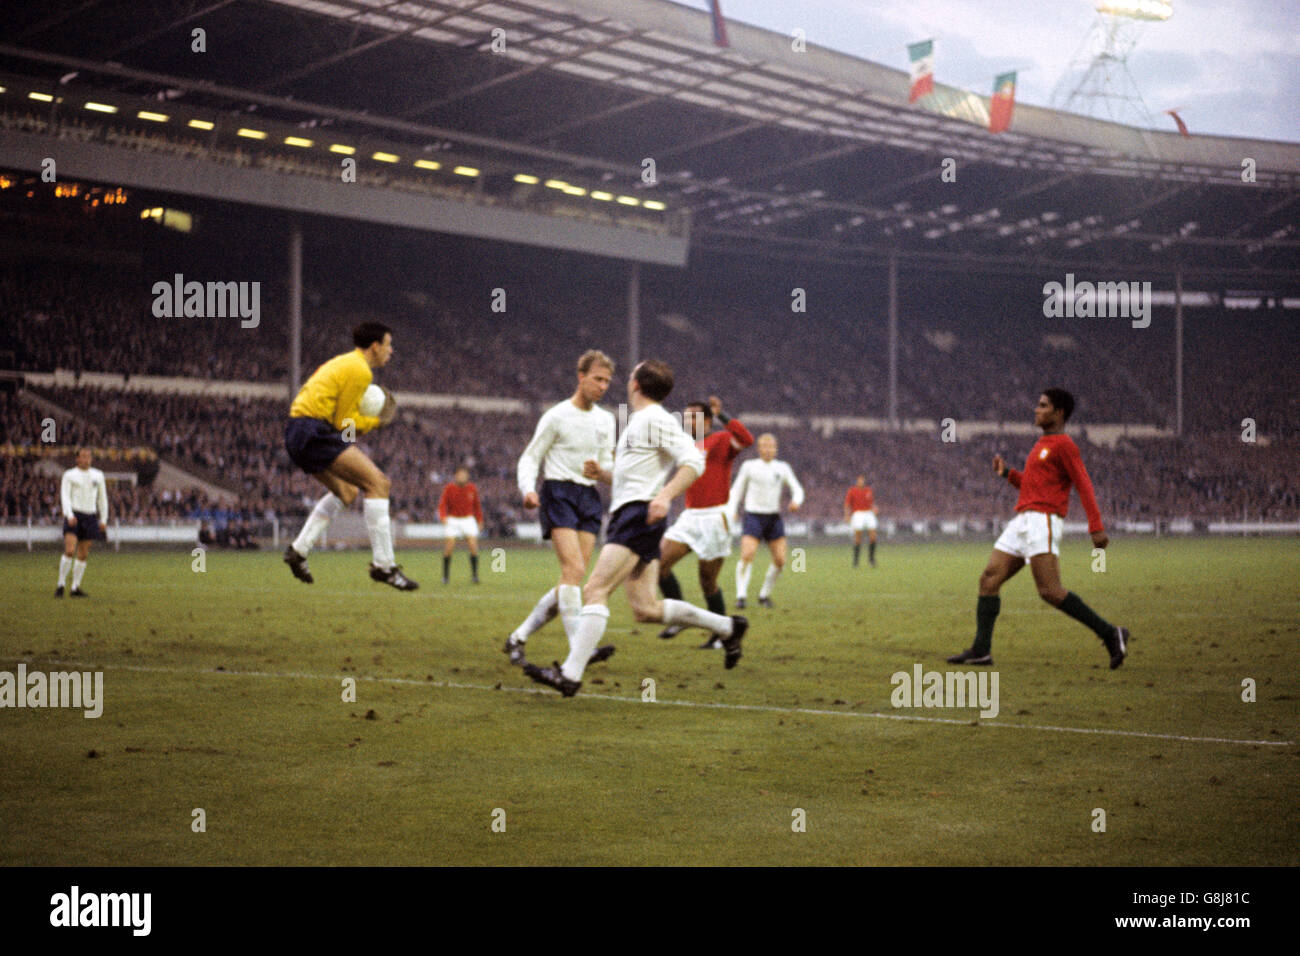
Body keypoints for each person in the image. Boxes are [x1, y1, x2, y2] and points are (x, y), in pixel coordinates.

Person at [523, 360, 748, 697]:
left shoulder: (656, 419)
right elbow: (635, 475)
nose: (625, 378)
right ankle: (728, 627)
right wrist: (604, 474)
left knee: (594, 589)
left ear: (636, 384)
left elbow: (694, 460)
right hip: (636, 513)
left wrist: (665, 496)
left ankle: (569, 675)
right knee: (646, 609)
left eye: (630, 375)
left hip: (637, 515)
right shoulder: (640, 421)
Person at [947, 388, 1130, 669]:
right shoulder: (1041, 445)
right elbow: (1032, 487)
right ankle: (981, 650)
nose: (1036, 409)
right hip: (1022, 520)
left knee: (1050, 590)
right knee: (988, 580)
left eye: (1043, 405)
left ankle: (1110, 633)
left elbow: (1083, 483)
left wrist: (1096, 527)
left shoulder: (1064, 445)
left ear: (1059, 413)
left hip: (1042, 520)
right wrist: (1008, 474)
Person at [281, 322, 416, 590]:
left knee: (348, 493)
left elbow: (343, 429)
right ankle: (384, 566)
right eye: (388, 345)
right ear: (375, 347)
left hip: (299, 432)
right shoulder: (360, 370)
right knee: (379, 484)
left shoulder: (346, 363)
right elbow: (346, 424)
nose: (391, 350)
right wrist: (375, 422)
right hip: (312, 430)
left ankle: (298, 551)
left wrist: (360, 426)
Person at [505, 350, 618, 666]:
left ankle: (518, 637)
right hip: (559, 493)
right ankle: (580, 649)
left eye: (607, 381)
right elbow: (530, 456)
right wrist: (527, 489)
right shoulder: (556, 416)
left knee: (571, 582)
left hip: (589, 497)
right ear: (581, 377)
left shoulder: (606, 420)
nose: (602, 386)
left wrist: (604, 471)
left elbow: (607, 464)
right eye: (597, 379)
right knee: (574, 572)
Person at [657, 395, 753, 646]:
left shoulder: (721, 440)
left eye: (694, 417)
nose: (688, 421)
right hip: (689, 517)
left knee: (707, 581)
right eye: (686, 417)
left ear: (707, 420)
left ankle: (723, 634)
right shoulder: (685, 446)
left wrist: (723, 415)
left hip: (714, 517)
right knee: (659, 565)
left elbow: (747, 439)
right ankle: (679, 618)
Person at [730, 433, 804, 609]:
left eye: (771, 447)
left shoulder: (782, 468)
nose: (768, 450)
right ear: (759, 448)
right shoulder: (749, 466)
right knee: (747, 554)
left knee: (780, 561)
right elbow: (737, 489)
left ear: (776, 449)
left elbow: (797, 489)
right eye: (764, 446)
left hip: (773, 517)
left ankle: (764, 595)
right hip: (753, 516)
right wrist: (732, 510)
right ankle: (741, 596)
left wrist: (796, 501)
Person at [56, 447, 107, 598]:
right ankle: (60, 585)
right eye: (83, 456)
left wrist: (103, 519)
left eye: (88, 456)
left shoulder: (98, 475)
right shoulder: (69, 475)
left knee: (83, 554)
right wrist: (69, 514)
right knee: (70, 550)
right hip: (74, 516)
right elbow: (64, 496)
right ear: (77, 458)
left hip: (90, 516)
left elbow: (102, 499)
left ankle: (75, 587)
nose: (86, 459)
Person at [438, 466, 483, 584]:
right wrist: (443, 516)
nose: (462, 477)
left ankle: (475, 576)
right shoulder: (449, 488)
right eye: (460, 475)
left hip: (468, 519)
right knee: (449, 547)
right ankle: (445, 577)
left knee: (473, 546)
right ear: (456, 476)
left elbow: (477, 506)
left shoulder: (472, 488)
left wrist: (480, 520)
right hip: (453, 520)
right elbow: (442, 504)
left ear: (467, 476)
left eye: (464, 475)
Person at [844, 475, 878, 567]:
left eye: (862, 481)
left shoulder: (868, 490)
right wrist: (847, 515)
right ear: (857, 482)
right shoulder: (852, 490)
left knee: (873, 536)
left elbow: (871, 503)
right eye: (859, 481)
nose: (861, 482)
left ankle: (871, 559)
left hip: (868, 513)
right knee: (858, 537)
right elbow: (847, 504)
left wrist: (874, 508)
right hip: (857, 513)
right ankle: (856, 561)